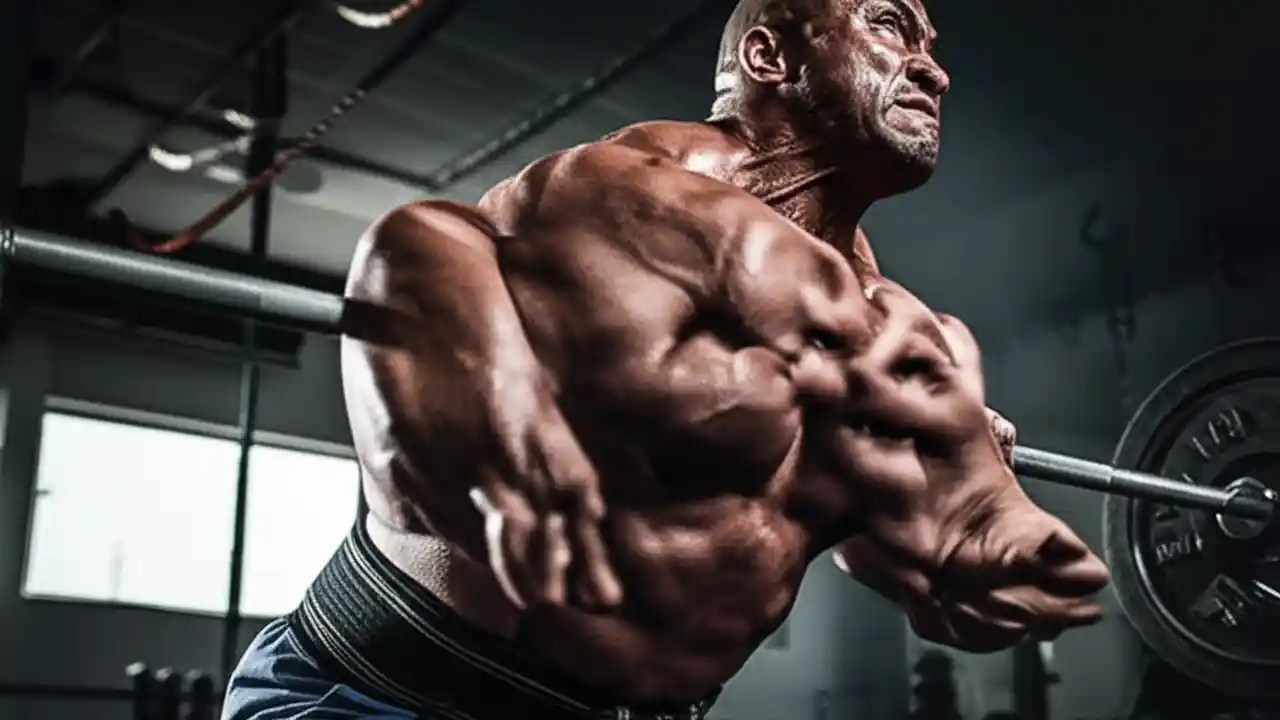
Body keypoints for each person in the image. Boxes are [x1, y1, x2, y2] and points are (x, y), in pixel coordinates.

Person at [222, 0, 1110, 718]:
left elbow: (921, 573)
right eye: (889, 25)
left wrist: (965, 513)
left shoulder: (885, 318)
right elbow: (406, 274)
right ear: (769, 59)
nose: (933, 66)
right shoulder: (610, 196)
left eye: (931, 42)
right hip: (392, 694)